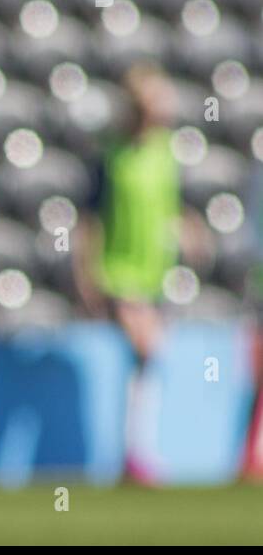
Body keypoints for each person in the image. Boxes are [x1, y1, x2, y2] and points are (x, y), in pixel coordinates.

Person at [73, 60, 211, 483]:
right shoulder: (111, 156)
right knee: (148, 347)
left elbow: (171, 203)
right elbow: (91, 221)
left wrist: (189, 229)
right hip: (119, 271)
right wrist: (87, 273)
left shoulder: (166, 151)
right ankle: (136, 454)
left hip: (153, 272)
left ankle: (134, 453)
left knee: (147, 360)